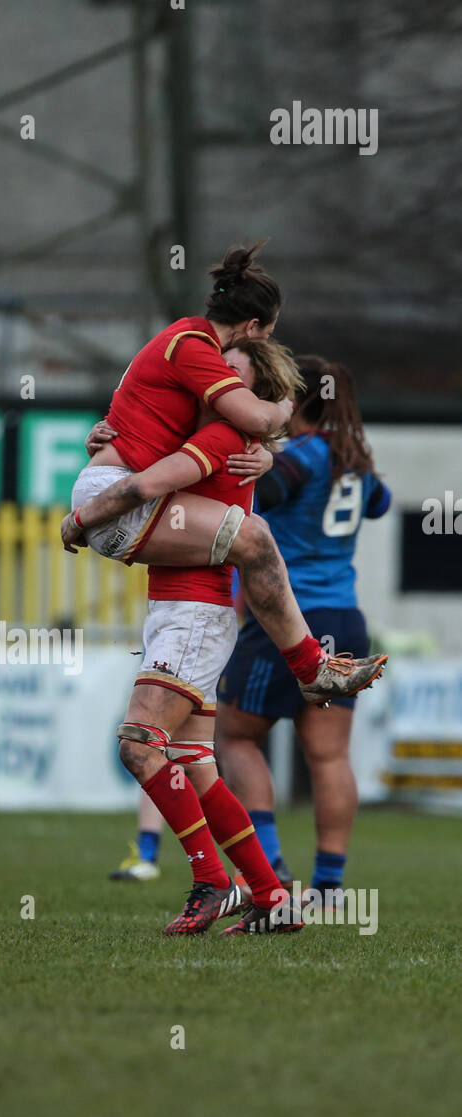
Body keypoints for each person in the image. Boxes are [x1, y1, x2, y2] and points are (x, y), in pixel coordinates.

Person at [63, 242, 387, 707]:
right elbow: (253, 422)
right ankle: (312, 667)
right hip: (130, 518)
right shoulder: (195, 347)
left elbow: (168, 443)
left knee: (186, 756)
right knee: (254, 538)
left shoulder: (186, 351)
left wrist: (271, 457)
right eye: (263, 335)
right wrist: (285, 406)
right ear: (251, 327)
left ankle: (312, 667)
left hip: (147, 539)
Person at [66, 337, 308, 934]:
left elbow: (140, 488)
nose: (213, 381)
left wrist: (80, 519)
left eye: (230, 376)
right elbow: (146, 456)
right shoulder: (206, 431)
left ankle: (210, 879)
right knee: (194, 763)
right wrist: (107, 438)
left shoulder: (224, 437)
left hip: (195, 617)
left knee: (139, 745)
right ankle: (273, 898)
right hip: (181, 612)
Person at [215, 354, 392, 899]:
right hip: (345, 615)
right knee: (330, 755)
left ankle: (271, 870)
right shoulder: (353, 459)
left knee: (236, 735)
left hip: (288, 616)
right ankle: (331, 885)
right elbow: (381, 504)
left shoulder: (298, 458)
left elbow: (262, 493)